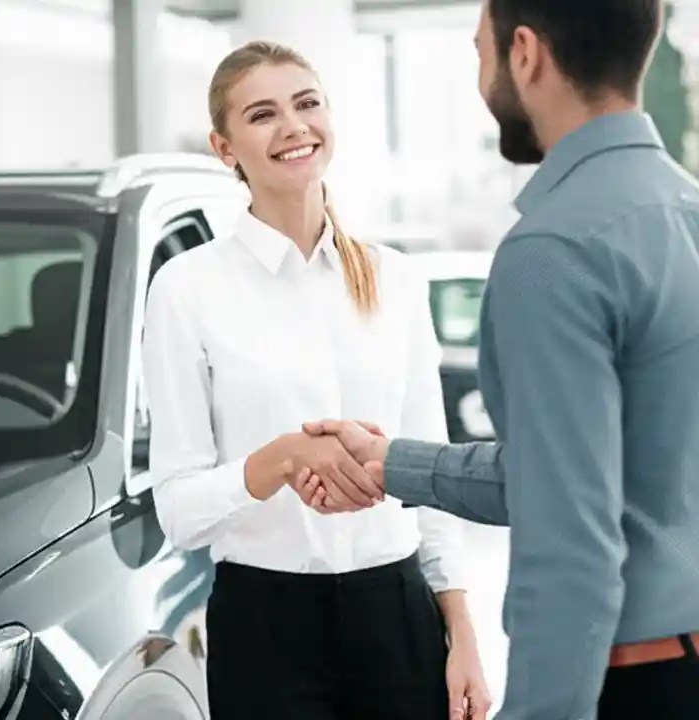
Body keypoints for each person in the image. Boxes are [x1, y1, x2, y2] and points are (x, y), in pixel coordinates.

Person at [297, 0, 699, 718]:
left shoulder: (556, 250)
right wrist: (393, 464)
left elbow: (572, 549)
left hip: (635, 684)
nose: (482, 78)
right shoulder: (684, 213)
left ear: (525, 53)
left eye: (479, 52)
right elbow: (576, 474)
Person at [141, 40, 490, 720]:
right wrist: (280, 460)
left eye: (307, 104)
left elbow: (432, 477)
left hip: (399, 614)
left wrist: (464, 631)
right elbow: (179, 513)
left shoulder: (394, 278)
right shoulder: (187, 288)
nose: (294, 126)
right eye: (263, 114)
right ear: (225, 148)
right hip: (265, 624)